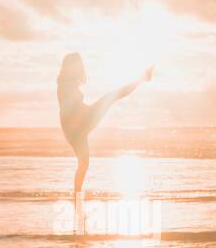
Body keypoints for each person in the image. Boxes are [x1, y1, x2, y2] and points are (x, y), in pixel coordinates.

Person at [57, 53, 153, 195]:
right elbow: (67, 108)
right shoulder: (64, 84)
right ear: (69, 66)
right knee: (112, 96)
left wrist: (86, 113)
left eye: (79, 64)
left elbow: (70, 109)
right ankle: (143, 78)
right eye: (76, 64)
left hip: (78, 125)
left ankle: (77, 196)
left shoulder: (67, 82)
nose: (79, 67)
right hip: (78, 124)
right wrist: (85, 115)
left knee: (83, 164)